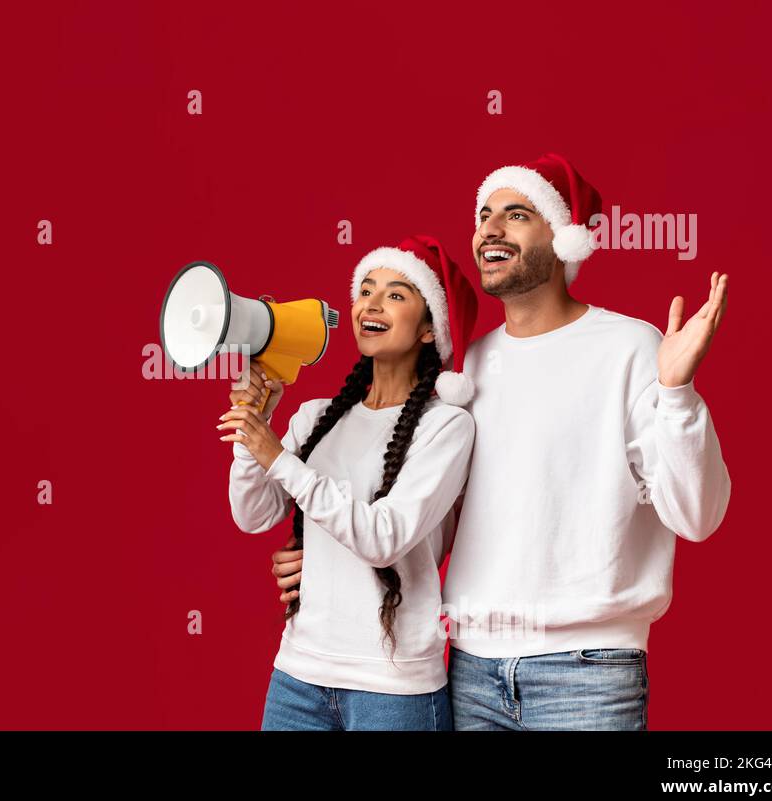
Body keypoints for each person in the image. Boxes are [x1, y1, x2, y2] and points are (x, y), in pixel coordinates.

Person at [271, 153, 732, 730]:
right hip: (470, 673)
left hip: (588, 673)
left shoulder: (633, 349)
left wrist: (678, 391)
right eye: (484, 214)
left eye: (516, 215)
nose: (489, 228)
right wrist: (326, 565)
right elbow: (422, 526)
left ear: (563, 237)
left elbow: (698, 516)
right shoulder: (464, 373)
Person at [222, 235, 478, 730]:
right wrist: (251, 428)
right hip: (298, 676)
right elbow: (252, 515)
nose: (372, 304)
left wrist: (276, 455)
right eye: (365, 289)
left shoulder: (446, 426)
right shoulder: (316, 416)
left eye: (396, 294)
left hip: (393, 690)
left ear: (430, 329)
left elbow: (384, 538)